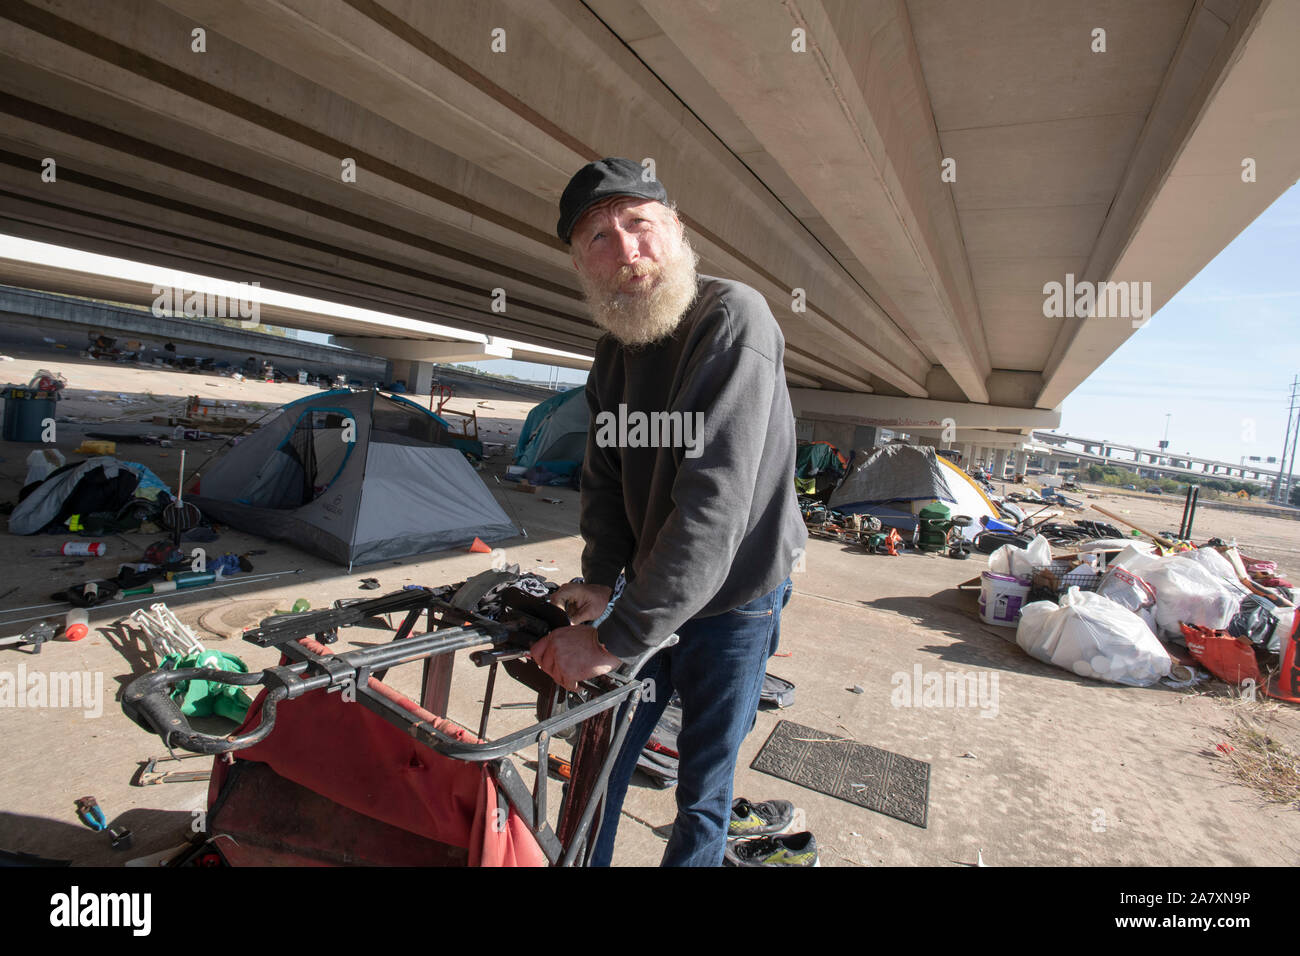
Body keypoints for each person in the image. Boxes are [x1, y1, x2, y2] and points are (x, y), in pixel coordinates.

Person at [528, 158, 807, 867]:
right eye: (598, 237)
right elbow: (605, 472)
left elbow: (713, 507)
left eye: (638, 224)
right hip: (654, 585)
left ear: (675, 229)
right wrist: (601, 577)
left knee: (702, 784)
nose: (624, 250)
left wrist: (613, 638)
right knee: (606, 757)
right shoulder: (614, 352)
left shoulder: (732, 319)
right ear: (580, 262)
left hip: (737, 598)